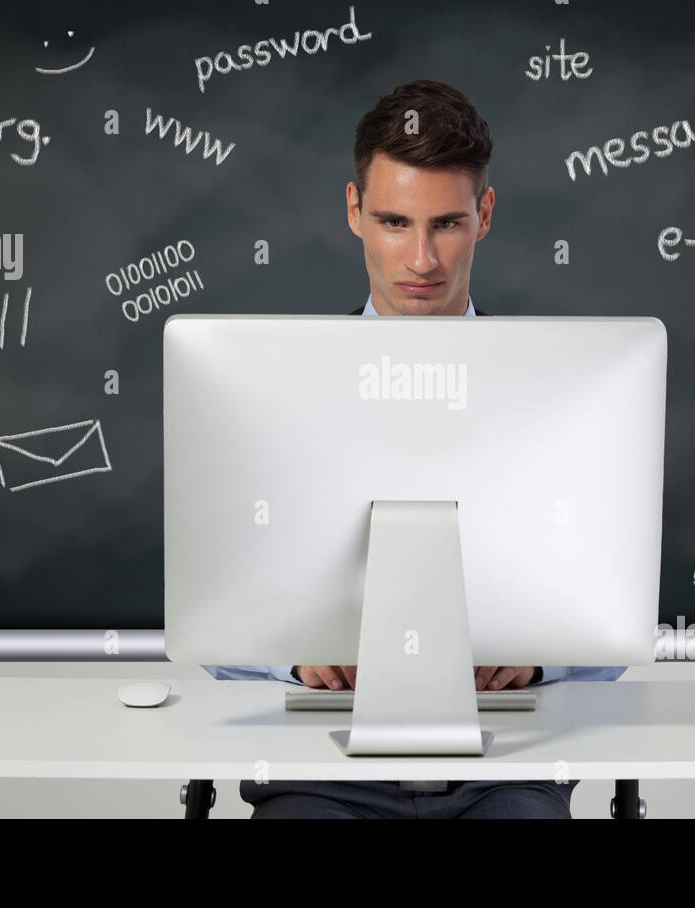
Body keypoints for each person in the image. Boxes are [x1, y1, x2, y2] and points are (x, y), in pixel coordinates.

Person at [204, 80, 624, 818]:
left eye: (448, 223)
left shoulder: (556, 387)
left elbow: (616, 610)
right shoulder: (277, 384)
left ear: (485, 216)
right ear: (354, 212)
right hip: (321, 770)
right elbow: (208, 606)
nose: (422, 259)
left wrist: (540, 655)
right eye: (395, 221)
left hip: (505, 768)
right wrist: (291, 657)